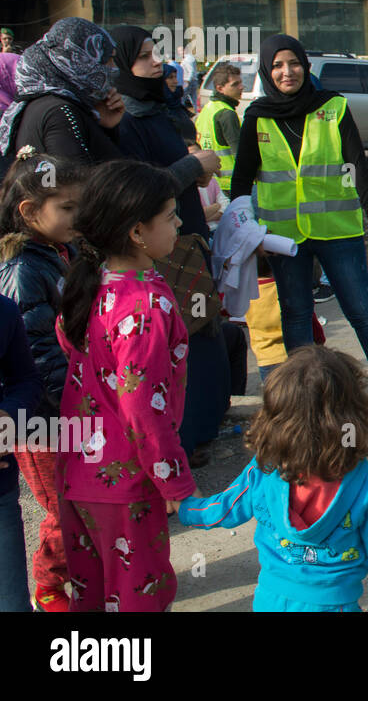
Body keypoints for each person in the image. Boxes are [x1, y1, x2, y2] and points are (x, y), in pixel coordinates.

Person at [229, 34, 368, 421]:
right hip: (283, 239)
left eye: (293, 63)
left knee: (361, 310)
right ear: (266, 70)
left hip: (338, 232)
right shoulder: (257, 115)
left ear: (305, 66)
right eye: (277, 65)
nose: (286, 71)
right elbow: (241, 181)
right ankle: (305, 402)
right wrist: (245, 231)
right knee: (295, 315)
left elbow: (357, 167)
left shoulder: (332, 106)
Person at [178, 346, 368, 612]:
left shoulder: (263, 468)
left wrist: (183, 507)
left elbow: (222, 510)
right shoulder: (366, 481)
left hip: (269, 602)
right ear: (353, 412)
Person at [56, 160, 196, 611]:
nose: (180, 223)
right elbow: (143, 409)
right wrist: (173, 481)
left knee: (91, 595)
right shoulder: (144, 306)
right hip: (126, 482)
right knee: (140, 596)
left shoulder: (92, 286)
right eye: (171, 215)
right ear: (137, 232)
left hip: (79, 473)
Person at [110, 26, 230, 459]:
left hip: (186, 232)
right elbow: (140, 184)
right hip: (162, 246)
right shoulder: (125, 118)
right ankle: (185, 438)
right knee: (181, 336)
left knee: (201, 327)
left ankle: (205, 426)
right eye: (144, 57)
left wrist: (196, 167)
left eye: (155, 53)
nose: (157, 63)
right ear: (122, 66)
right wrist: (188, 165)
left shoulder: (158, 106)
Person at [0, 149, 84, 611]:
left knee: (79, 501)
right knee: (64, 507)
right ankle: (50, 584)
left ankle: (80, 573)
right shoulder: (21, 270)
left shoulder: (58, 252)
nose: (78, 215)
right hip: (44, 420)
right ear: (29, 212)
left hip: (69, 408)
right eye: (67, 208)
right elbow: (34, 356)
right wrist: (73, 405)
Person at [0, 18, 124, 167]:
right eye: (108, 59)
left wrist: (105, 126)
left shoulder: (51, 105)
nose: (113, 68)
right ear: (80, 61)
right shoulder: (59, 112)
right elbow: (78, 182)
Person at [0, 290, 41, 612]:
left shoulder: (4, 310)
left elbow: (25, 379)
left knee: (13, 603)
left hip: (1, 489)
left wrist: (9, 415)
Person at [194, 61, 243, 196]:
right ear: (220, 88)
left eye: (240, 82)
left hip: (210, 181)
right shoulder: (227, 114)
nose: (241, 87)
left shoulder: (208, 107)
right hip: (228, 183)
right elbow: (239, 153)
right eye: (235, 84)